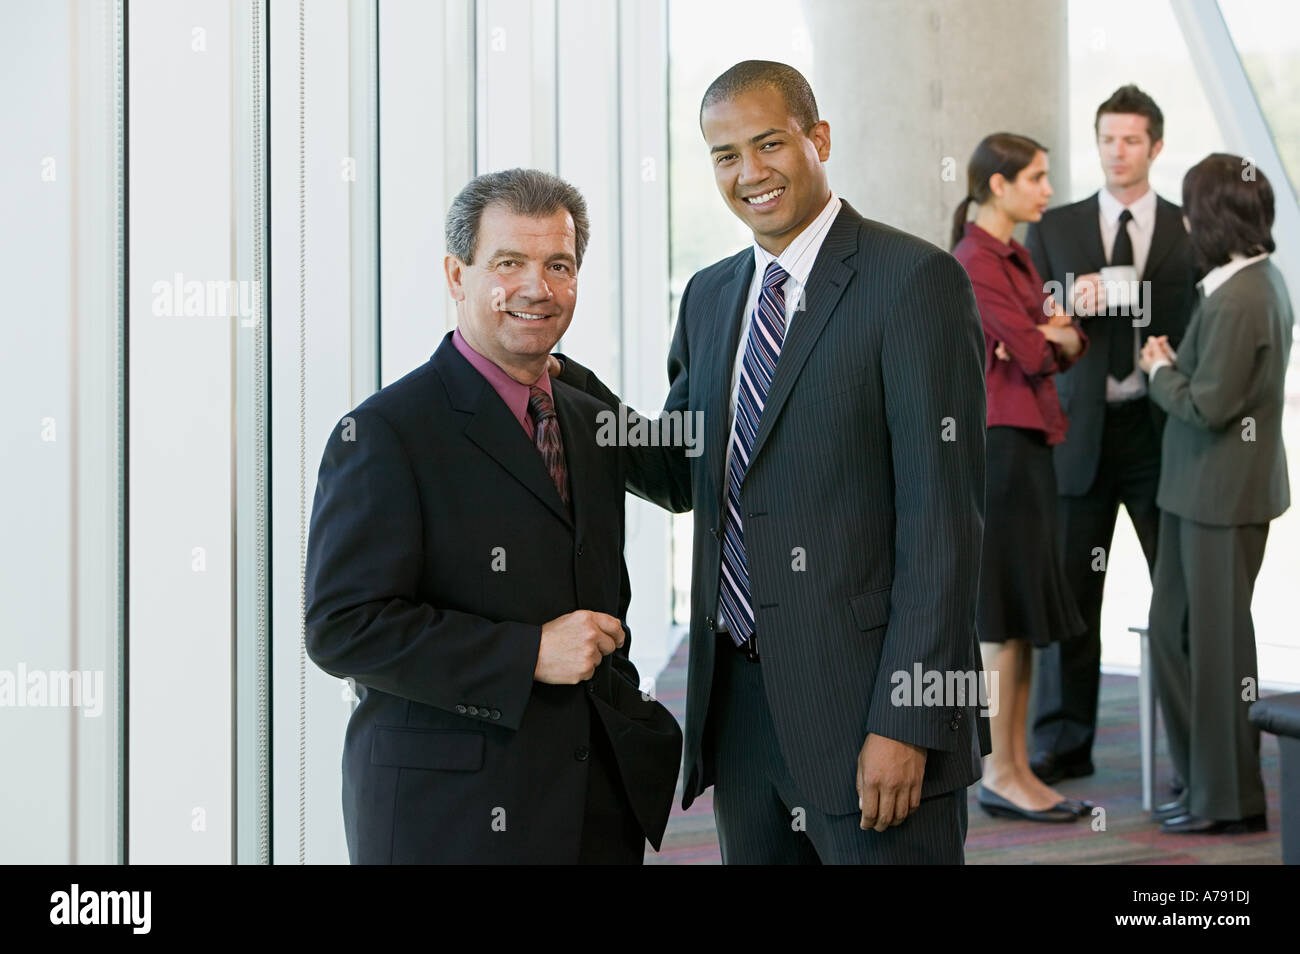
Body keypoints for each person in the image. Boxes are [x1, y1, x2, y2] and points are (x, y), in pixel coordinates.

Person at [555, 60, 989, 863]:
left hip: (869, 707)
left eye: (768, 144)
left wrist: (908, 719)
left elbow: (945, 527)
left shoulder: (914, 283)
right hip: (742, 710)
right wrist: (559, 377)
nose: (749, 173)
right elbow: (682, 471)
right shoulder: (712, 295)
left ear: (817, 139)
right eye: (725, 155)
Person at [303, 168, 682, 864]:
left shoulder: (589, 421)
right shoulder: (387, 432)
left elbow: (681, 473)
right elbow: (342, 628)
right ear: (458, 275)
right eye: (509, 263)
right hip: (451, 817)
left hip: (593, 803)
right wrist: (528, 653)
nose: (537, 287)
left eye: (558, 265)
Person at [1024, 85, 1196, 785]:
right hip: (1081, 435)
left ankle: (1193, 749)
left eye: (1130, 140)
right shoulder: (1056, 227)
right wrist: (1065, 306)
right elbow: (1029, 319)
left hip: (1161, 436)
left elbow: (1199, 322)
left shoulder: (1189, 230)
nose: (1116, 152)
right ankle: (1063, 744)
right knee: (1068, 595)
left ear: (1155, 147)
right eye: (1106, 138)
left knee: (1178, 595)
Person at [1139, 154, 1292, 834]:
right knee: (1175, 636)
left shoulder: (1245, 294)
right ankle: (1202, 780)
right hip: (1196, 492)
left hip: (1220, 496)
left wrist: (1160, 370)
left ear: (1213, 217)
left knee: (1218, 648)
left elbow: (1208, 405)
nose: (1185, 221)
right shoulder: (1238, 284)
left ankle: (1229, 800)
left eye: (1191, 209)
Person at [951, 134, 1090, 823]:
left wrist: (1051, 337)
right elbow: (1041, 346)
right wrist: (1049, 336)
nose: (1047, 190)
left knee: (1023, 618)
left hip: (1029, 445)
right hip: (1000, 449)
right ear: (997, 185)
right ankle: (999, 772)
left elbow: (1057, 343)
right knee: (1002, 619)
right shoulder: (975, 260)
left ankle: (1016, 767)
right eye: (1036, 178)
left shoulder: (1016, 256)